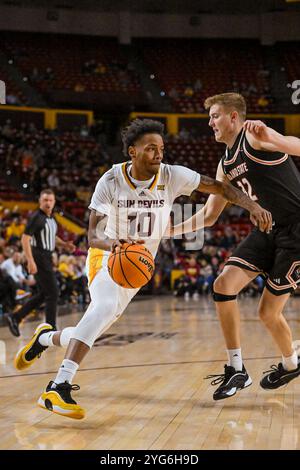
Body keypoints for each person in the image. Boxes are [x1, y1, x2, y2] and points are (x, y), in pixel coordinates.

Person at [14, 118, 271, 419]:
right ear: (132, 152)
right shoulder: (110, 180)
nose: (158, 154)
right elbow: (92, 234)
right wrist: (113, 244)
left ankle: (44, 337)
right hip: (108, 257)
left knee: (92, 328)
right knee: (104, 308)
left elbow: (219, 187)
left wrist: (252, 205)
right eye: (150, 149)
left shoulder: (173, 176)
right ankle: (58, 387)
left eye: (161, 148)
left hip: (138, 267)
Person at [173, 92, 300, 400]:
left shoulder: (255, 138)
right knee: (223, 284)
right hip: (266, 230)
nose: (210, 122)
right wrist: (165, 231)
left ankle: (291, 363)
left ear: (233, 117)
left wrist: (275, 138)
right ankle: (236, 369)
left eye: (215, 116)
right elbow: (208, 215)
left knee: (268, 313)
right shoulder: (224, 165)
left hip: (296, 232)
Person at [5, 189, 75, 336]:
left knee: (45, 294)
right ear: (40, 201)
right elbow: (25, 239)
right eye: (45, 200)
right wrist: (30, 261)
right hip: (38, 256)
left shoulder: (52, 219)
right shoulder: (36, 217)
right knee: (54, 292)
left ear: (54, 201)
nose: (48, 203)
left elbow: (52, 238)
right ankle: (50, 327)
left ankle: (15, 317)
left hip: (47, 256)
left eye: (50, 200)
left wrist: (65, 245)